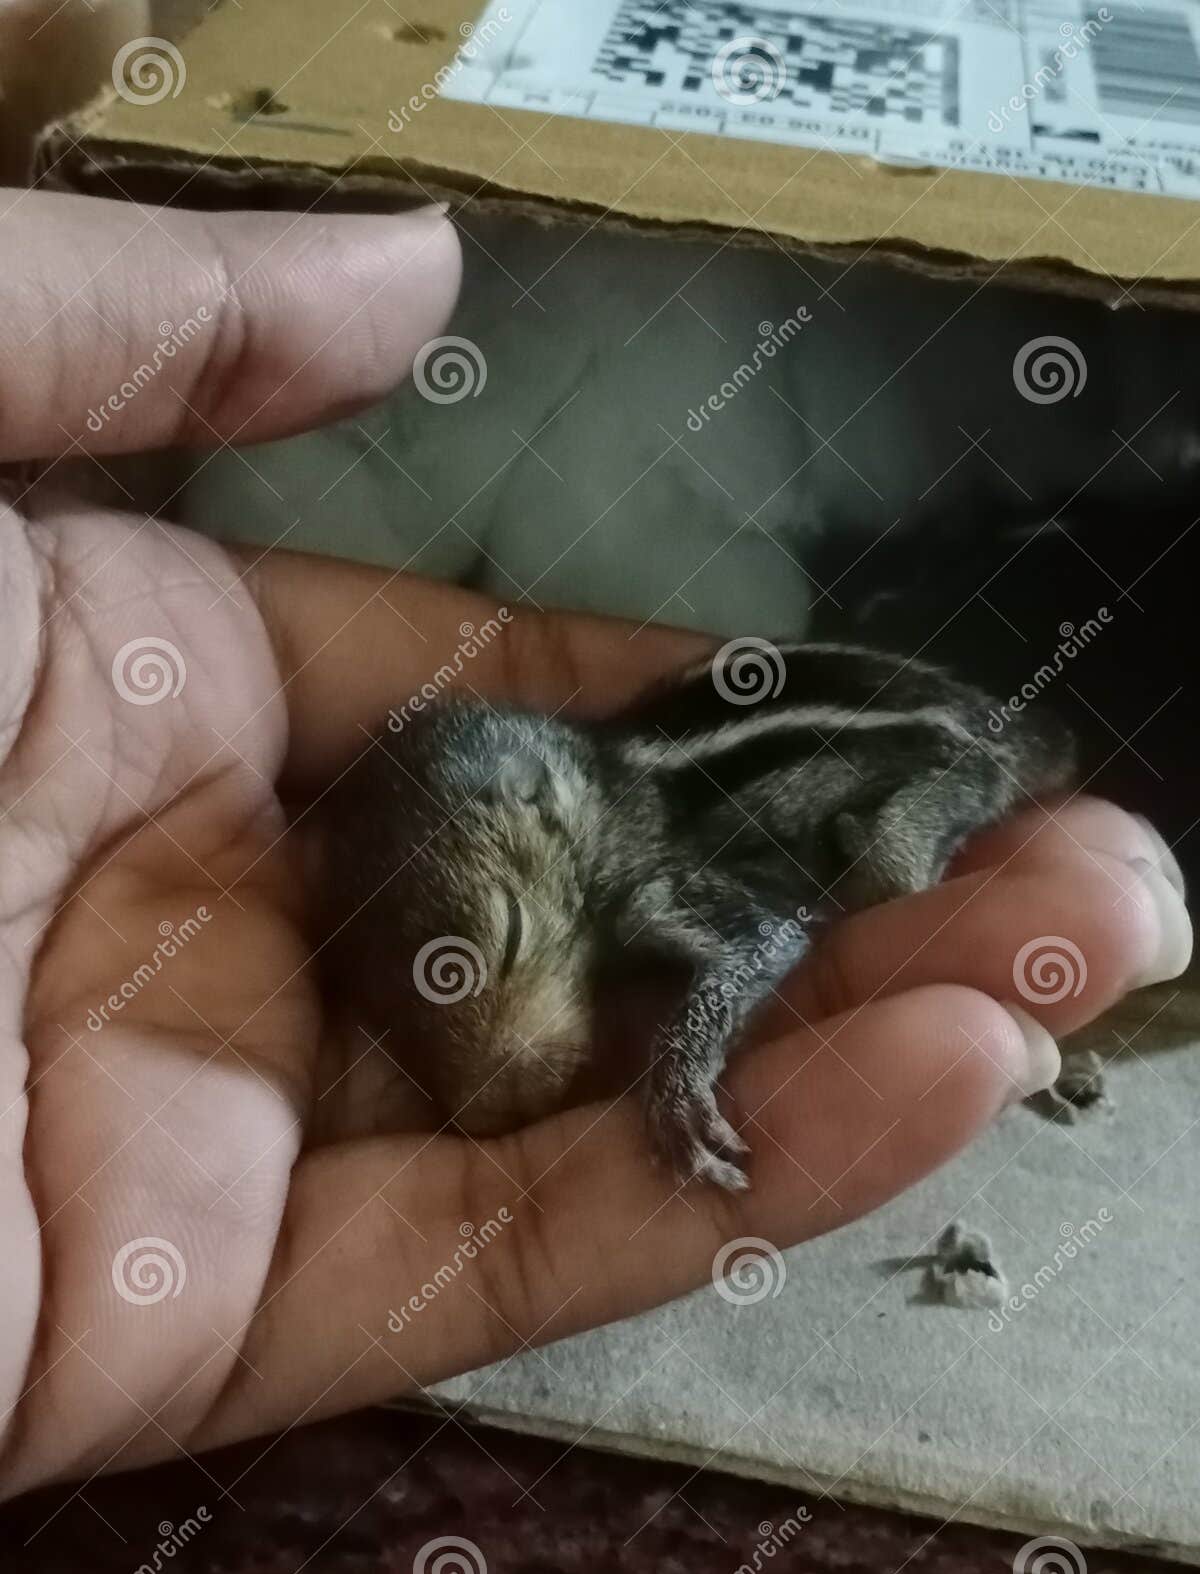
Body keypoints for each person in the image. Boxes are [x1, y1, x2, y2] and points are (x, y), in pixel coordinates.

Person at [0, 188, 1189, 1497]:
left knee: (894, 904)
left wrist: (686, 1062)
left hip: (951, 756)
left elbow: (763, 931)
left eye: (500, 950)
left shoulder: (633, 857)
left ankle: (1033, 1035)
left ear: (549, 836)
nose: (500, 1055)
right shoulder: (546, 830)